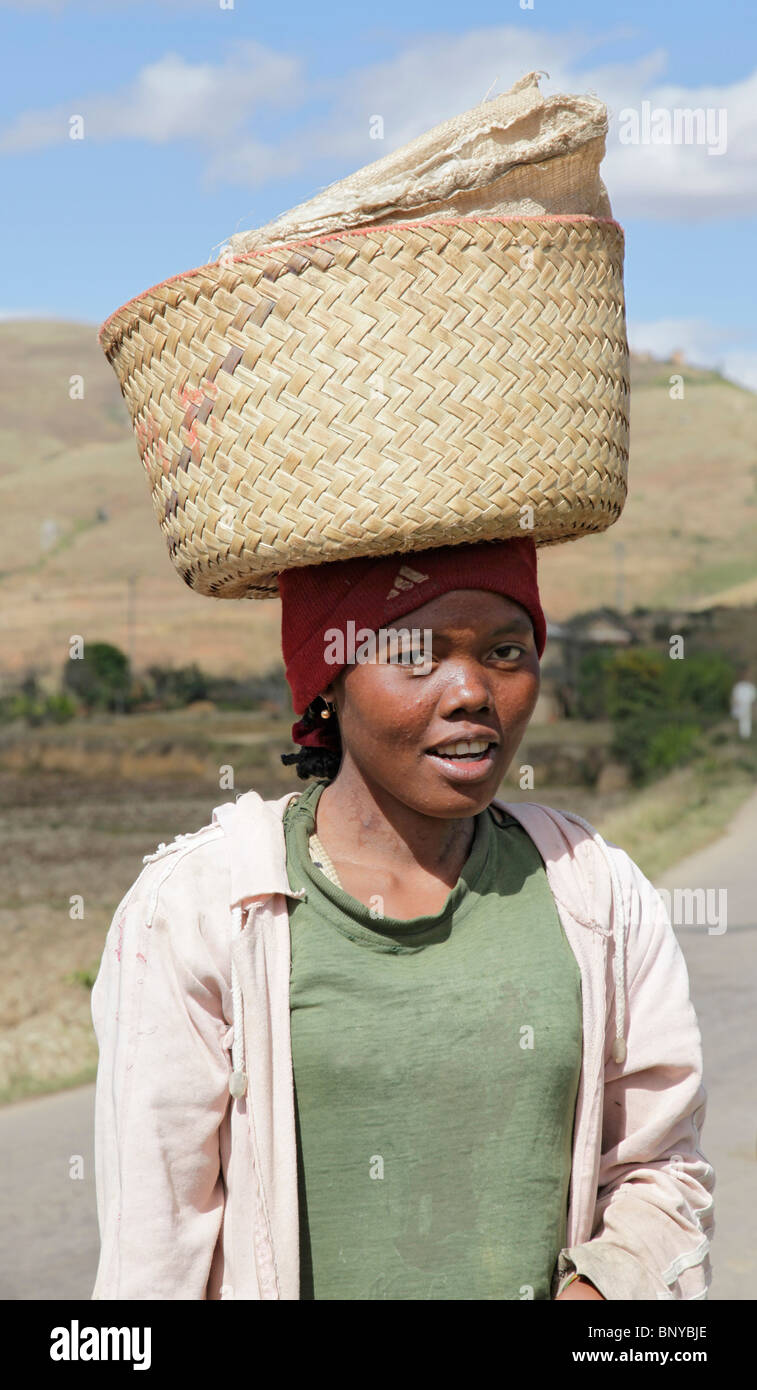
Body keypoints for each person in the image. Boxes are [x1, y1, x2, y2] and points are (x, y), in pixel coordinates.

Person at [90, 536, 714, 1301]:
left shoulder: (592, 890)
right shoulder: (202, 908)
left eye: (506, 651)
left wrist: (599, 1294)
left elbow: (659, 1171)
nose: (470, 692)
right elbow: (154, 1249)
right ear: (329, 682)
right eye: (415, 655)